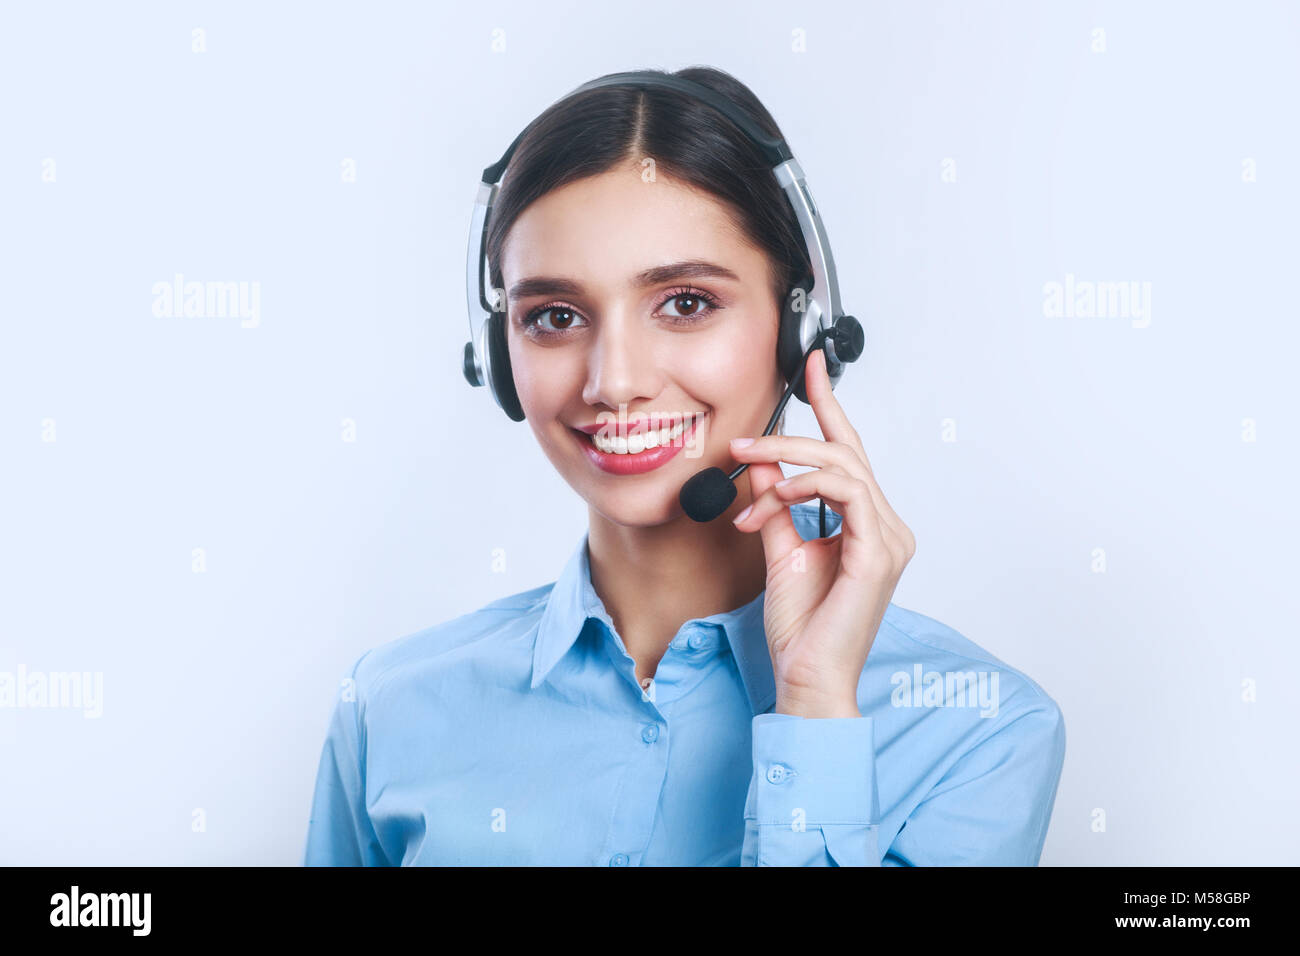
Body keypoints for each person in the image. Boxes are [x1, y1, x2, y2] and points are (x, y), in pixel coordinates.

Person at [303, 65, 1066, 866]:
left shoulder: (981, 732)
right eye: (554, 317)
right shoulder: (391, 707)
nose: (615, 382)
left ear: (800, 329)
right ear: (499, 356)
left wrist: (814, 709)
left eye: (686, 303)